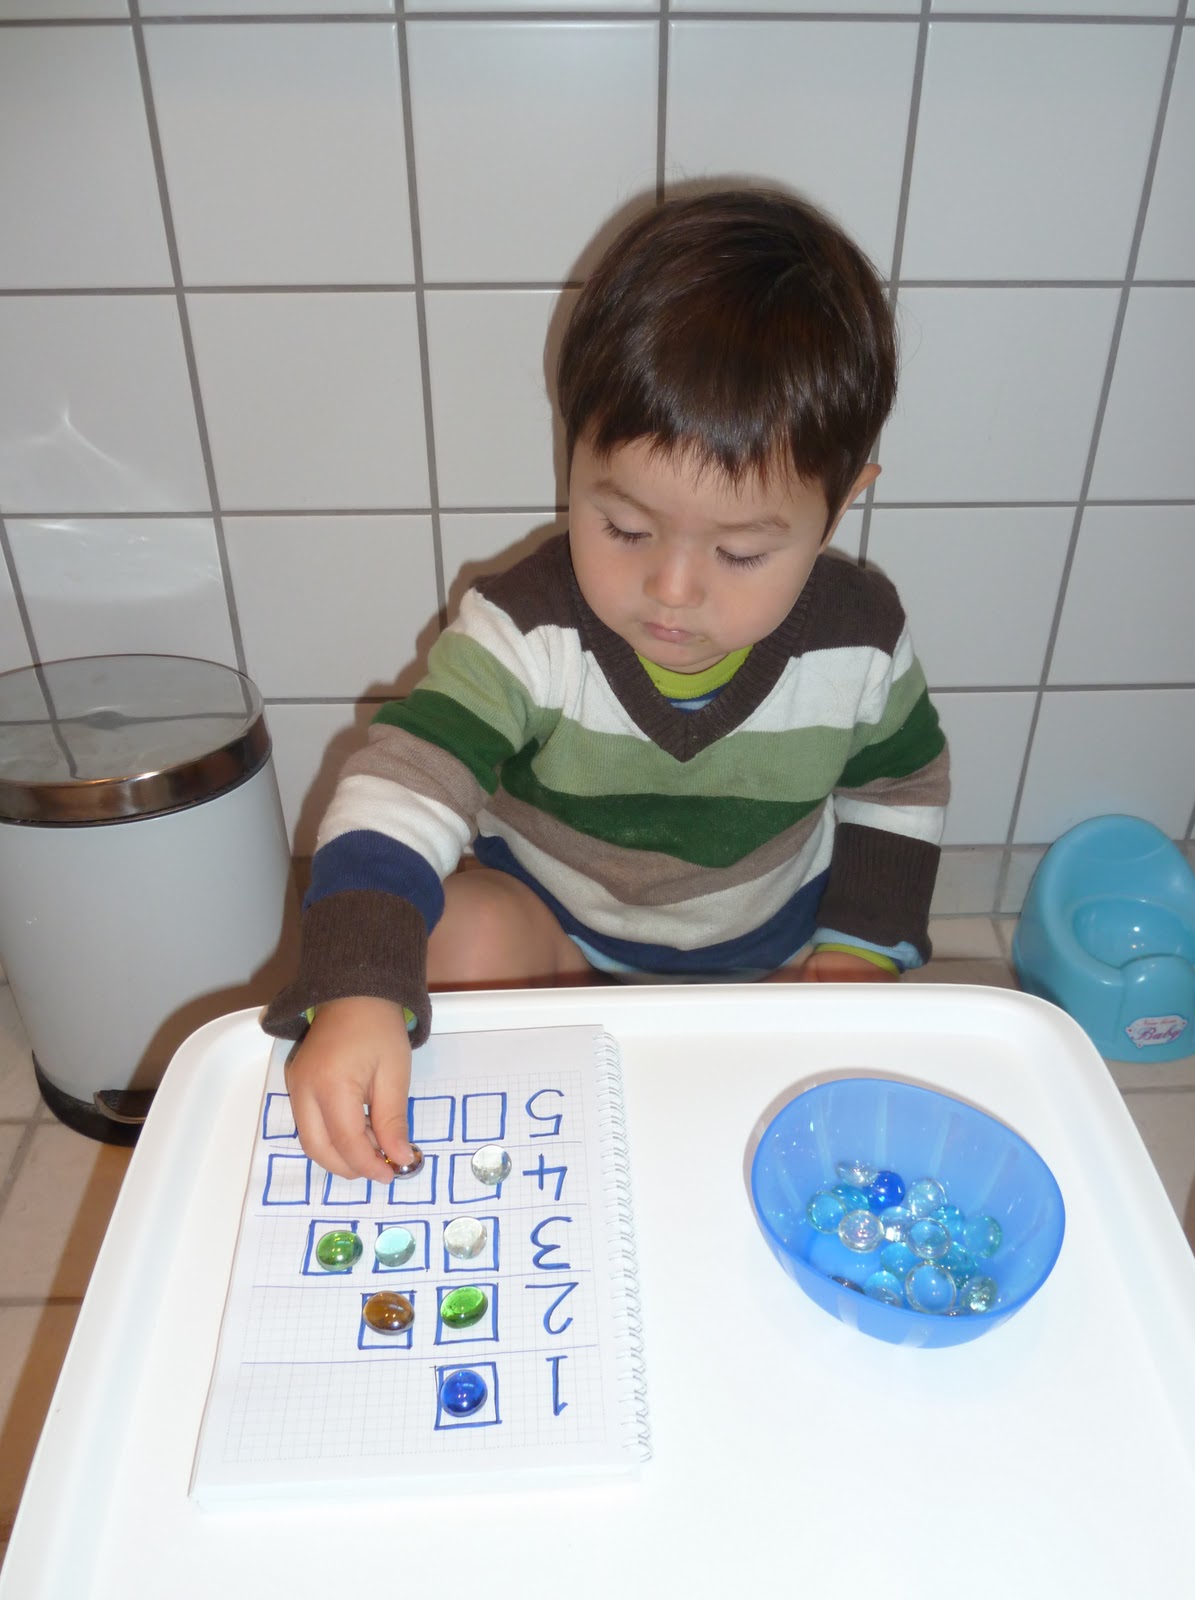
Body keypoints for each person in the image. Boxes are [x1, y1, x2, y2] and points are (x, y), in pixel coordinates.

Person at [263, 187, 949, 1181]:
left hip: (769, 970)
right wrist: (357, 985)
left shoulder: (862, 641)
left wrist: (856, 960)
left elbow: (900, 792)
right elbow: (405, 784)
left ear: (841, 506)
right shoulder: (522, 630)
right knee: (453, 930)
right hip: (561, 952)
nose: (671, 591)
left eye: (743, 551)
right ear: (572, 452)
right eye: (624, 527)